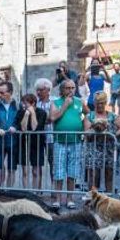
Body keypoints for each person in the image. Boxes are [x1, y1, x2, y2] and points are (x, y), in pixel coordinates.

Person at [48, 77, 85, 207]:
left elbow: (87, 116)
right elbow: (52, 117)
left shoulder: (80, 102)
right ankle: (57, 199)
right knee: (58, 171)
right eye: (67, 88)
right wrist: (65, 105)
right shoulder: (56, 102)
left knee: (72, 171)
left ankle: (70, 199)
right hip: (60, 142)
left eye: (72, 88)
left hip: (76, 142)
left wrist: (86, 129)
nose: (70, 90)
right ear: (62, 90)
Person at [84, 91, 120, 192]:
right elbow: (86, 131)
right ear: (94, 103)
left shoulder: (112, 116)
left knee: (109, 174)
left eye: (102, 102)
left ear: (105, 102)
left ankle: (109, 200)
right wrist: (94, 128)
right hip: (93, 149)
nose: (100, 105)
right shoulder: (90, 116)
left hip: (108, 149)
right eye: (98, 102)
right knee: (93, 176)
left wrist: (113, 134)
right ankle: (91, 200)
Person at [0, 81, 19, 186]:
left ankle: (10, 193)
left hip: (13, 142)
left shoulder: (18, 106)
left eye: (2, 92)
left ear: (10, 92)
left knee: (11, 170)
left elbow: (21, 123)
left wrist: (15, 127)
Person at [16, 92, 48, 190]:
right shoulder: (21, 112)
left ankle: (36, 191)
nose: (23, 105)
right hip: (24, 144)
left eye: (25, 103)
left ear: (33, 103)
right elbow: (23, 129)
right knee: (25, 171)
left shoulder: (42, 113)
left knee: (36, 170)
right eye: (23, 103)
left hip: (37, 144)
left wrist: (32, 113)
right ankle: (26, 192)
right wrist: (26, 115)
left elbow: (35, 128)